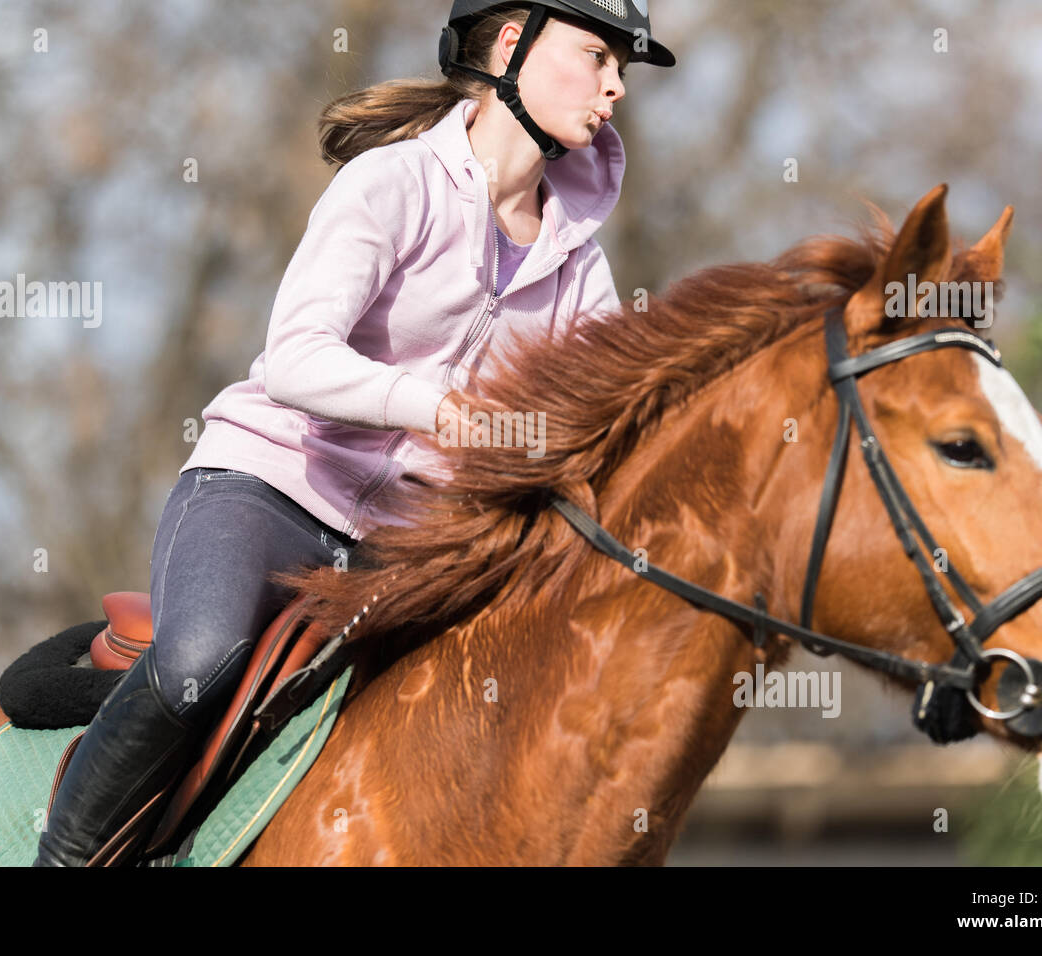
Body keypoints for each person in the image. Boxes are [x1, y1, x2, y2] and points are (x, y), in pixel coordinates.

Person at [33, 0, 675, 866]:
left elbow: (585, 433)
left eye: (622, 69)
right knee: (199, 659)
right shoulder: (392, 183)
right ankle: (62, 861)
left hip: (408, 543)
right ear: (514, 45)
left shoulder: (581, 265)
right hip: (269, 489)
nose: (615, 87)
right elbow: (296, 360)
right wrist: (440, 408)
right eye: (598, 55)